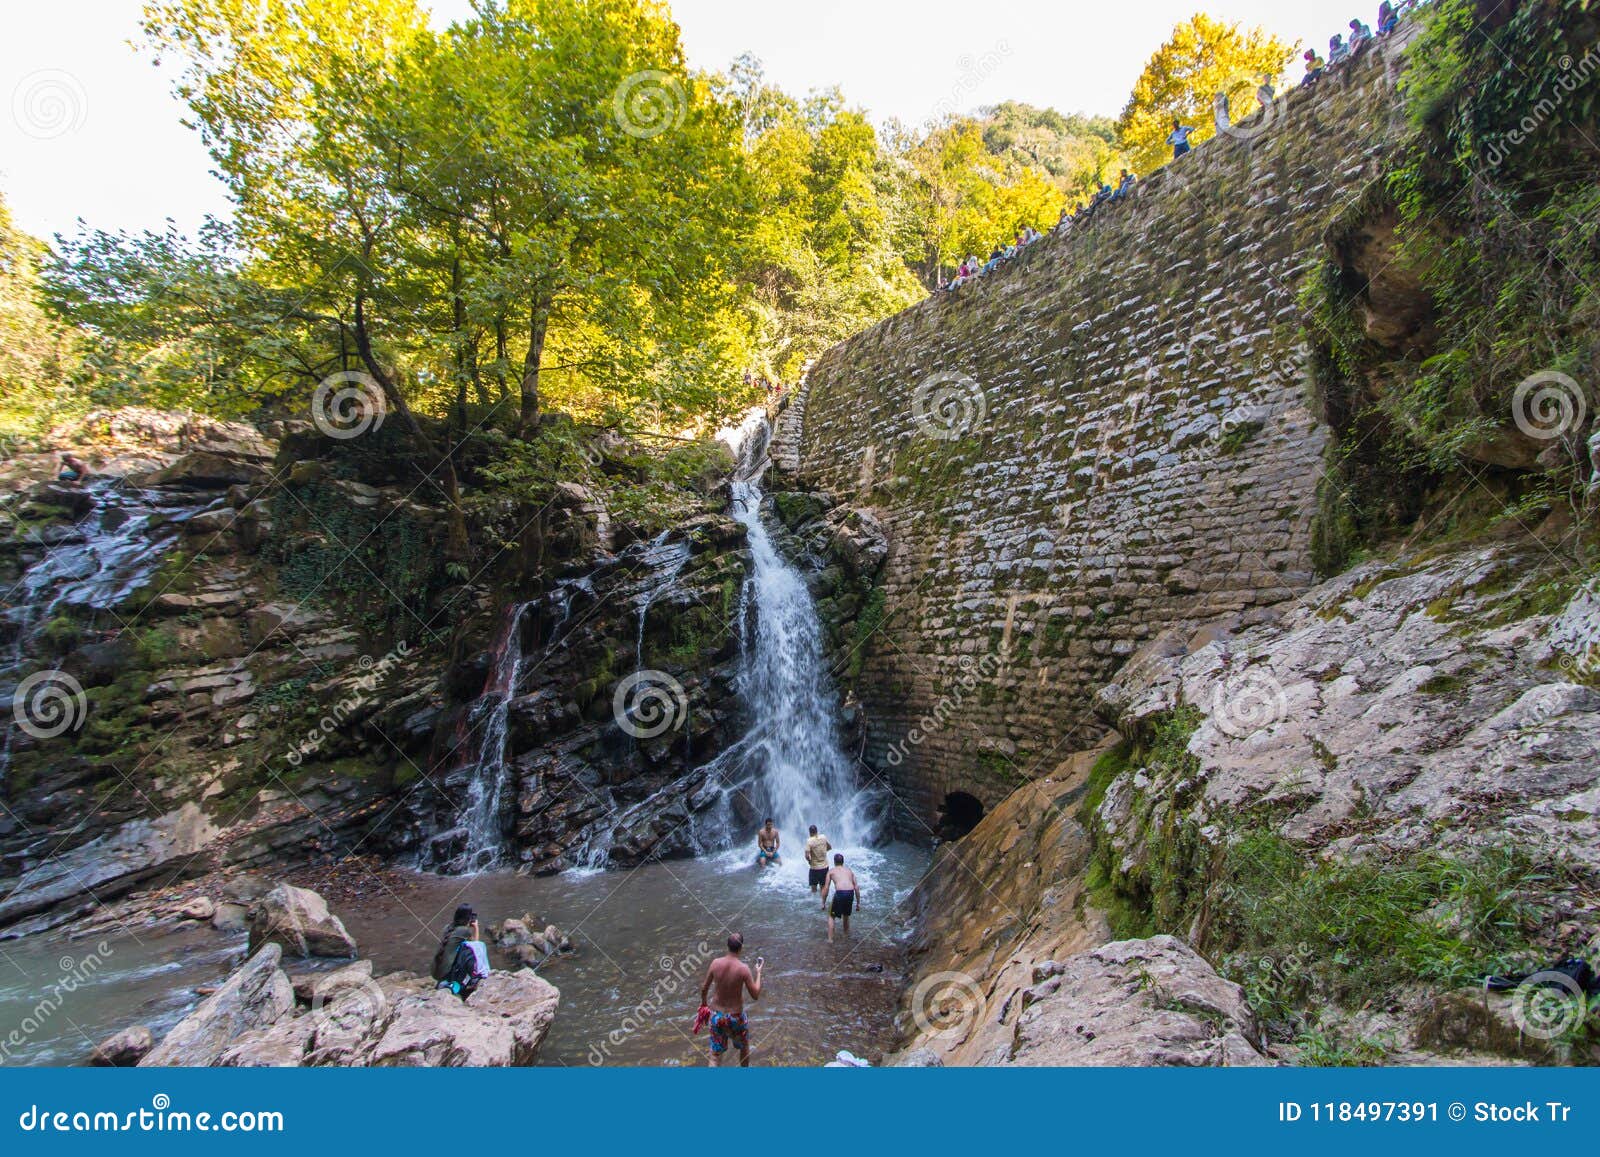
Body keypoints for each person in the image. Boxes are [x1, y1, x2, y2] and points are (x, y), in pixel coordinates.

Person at [698, 933, 763, 1067]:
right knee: (744, 1048)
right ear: (741, 948)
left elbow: (704, 988)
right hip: (736, 1017)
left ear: (727, 946)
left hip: (717, 1016)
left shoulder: (715, 963)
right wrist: (759, 973)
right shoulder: (743, 969)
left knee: (715, 1056)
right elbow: (755, 995)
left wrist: (704, 1003)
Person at [821, 853, 861, 944]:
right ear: (843, 862)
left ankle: (830, 940)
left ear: (834, 862)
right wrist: (858, 903)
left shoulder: (831, 871)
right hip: (850, 893)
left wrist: (823, 902)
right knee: (846, 916)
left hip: (840, 893)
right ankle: (846, 937)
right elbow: (856, 888)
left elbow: (826, 888)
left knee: (831, 916)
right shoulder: (849, 871)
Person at [804, 825, 832, 892]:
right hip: (825, 867)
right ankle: (823, 902)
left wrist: (809, 861)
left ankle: (814, 902)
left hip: (814, 868)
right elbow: (830, 847)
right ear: (817, 831)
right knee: (823, 887)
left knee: (813, 889)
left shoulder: (809, 841)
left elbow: (807, 856)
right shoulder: (823, 837)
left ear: (810, 832)